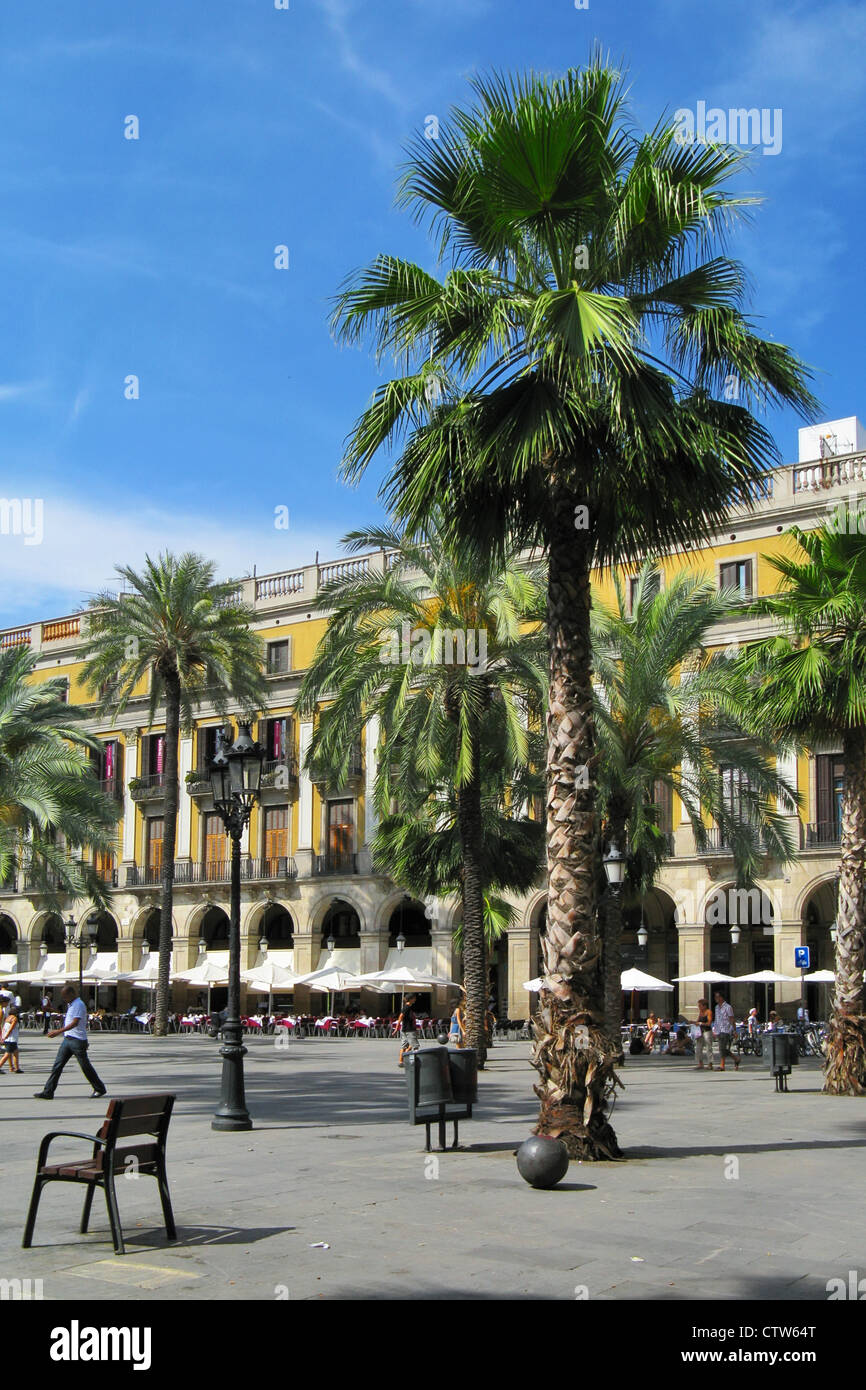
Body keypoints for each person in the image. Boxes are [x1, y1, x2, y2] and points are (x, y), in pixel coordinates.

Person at [33, 984, 106, 1100]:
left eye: (65, 996)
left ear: (72, 994)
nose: (64, 999)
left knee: (85, 1066)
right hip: (68, 1039)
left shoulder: (78, 1004)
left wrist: (58, 1031)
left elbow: (75, 1022)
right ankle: (48, 1091)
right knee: (57, 1065)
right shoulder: (71, 1004)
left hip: (77, 1040)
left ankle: (99, 1088)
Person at [713, 990, 739, 1071]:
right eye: (715, 997)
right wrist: (714, 1029)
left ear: (721, 997)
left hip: (726, 1029)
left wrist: (734, 1030)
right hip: (718, 1029)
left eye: (717, 997)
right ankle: (735, 1059)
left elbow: (731, 1019)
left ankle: (722, 1065)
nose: (716, 998)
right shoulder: (716, 1007)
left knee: (722, 1048)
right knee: (722, 1048)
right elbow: (717, 1019)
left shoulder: (728, 1007)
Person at [396, 993, 420, 1067]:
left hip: (405, 1029)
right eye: (414, 998)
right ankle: (412, 1060)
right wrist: (397, 1026)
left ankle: (401, 1061)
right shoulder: (407, 1007)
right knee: (415, 1046)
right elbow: (401, 1016)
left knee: (405, 1046)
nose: (415, 999)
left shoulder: (408, 1007)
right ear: (411, 999)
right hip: (409, 1030)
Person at [0, 997, 21, 1073]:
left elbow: (4, 1028)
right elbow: (11, 1029)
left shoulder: (7, 1018)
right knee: (7, 1054)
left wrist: (3, 1036)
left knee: (15, 1052)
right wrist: (5, 1037)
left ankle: (15, 1068)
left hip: (8, 1039)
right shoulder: (14, 1019)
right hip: (11, 1039)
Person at [693, 997, 714, 1070]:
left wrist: (700, 1023)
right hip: (700, 1032)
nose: (699, 1007)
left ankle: (710, 1064)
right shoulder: (700, 1013)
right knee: (698, 1048)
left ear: (704, 1006)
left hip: (707, 1031)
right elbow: (698, 1021)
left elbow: (709, 1023)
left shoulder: (708, 1012)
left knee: (709, 1047)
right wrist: (694, 1022)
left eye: (700, 1006)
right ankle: (700, 1063)